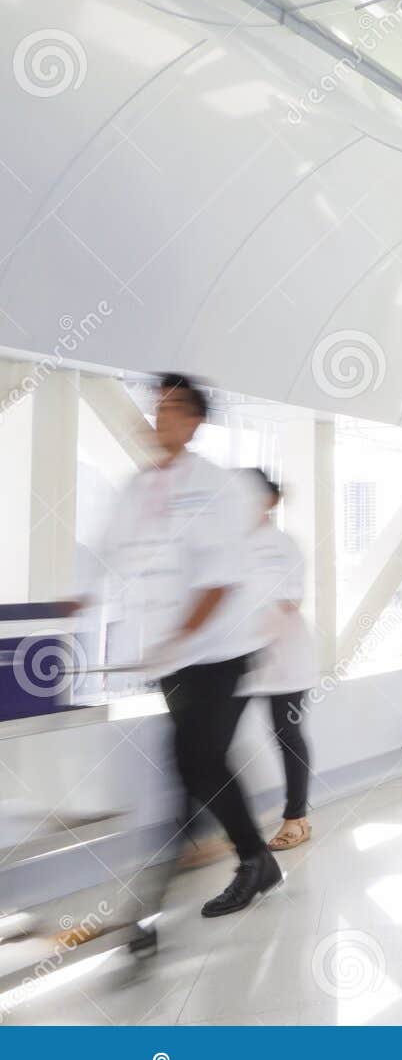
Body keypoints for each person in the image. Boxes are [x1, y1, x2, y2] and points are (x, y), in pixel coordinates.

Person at [71, 374, 279, 930]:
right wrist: (79, 601)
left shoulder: (214, 486)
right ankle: (243, 862)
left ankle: (249, 863)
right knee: (194, 763)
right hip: (174, 658)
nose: (159, 418)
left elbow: (219, 581)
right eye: (156, 407)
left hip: (222, 650)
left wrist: (176, 640)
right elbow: (107, 549)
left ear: (195, 422)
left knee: (197, 761)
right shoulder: (138, 488)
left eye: (173, 409)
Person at [240, 471, 318, 852]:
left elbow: (288, 603)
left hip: (283, 659)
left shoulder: (283, 546)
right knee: (211, 742)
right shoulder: (231, 547)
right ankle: (223, 825)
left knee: (287, 736)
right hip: (238, 661)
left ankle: (296, 818)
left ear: (269, 501)